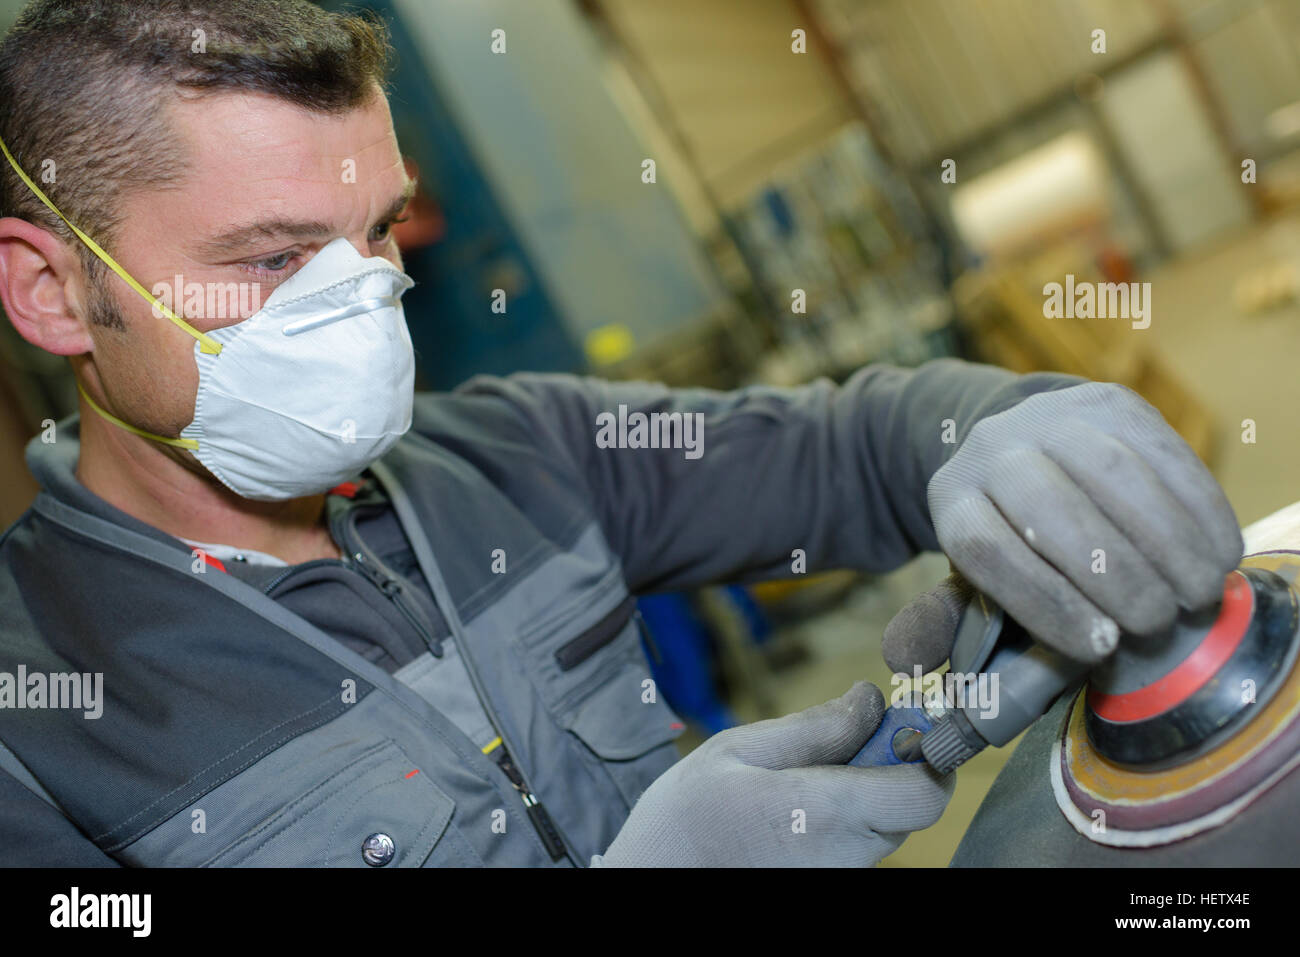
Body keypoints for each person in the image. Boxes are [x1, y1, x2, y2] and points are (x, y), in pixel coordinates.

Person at [0, 0, 1243, 867]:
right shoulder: (32, 726)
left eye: (375, 233)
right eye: (270, 258)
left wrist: (1007, 432)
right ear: (54, 291)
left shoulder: (515, 458)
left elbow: (857, 448)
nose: (359, 303)